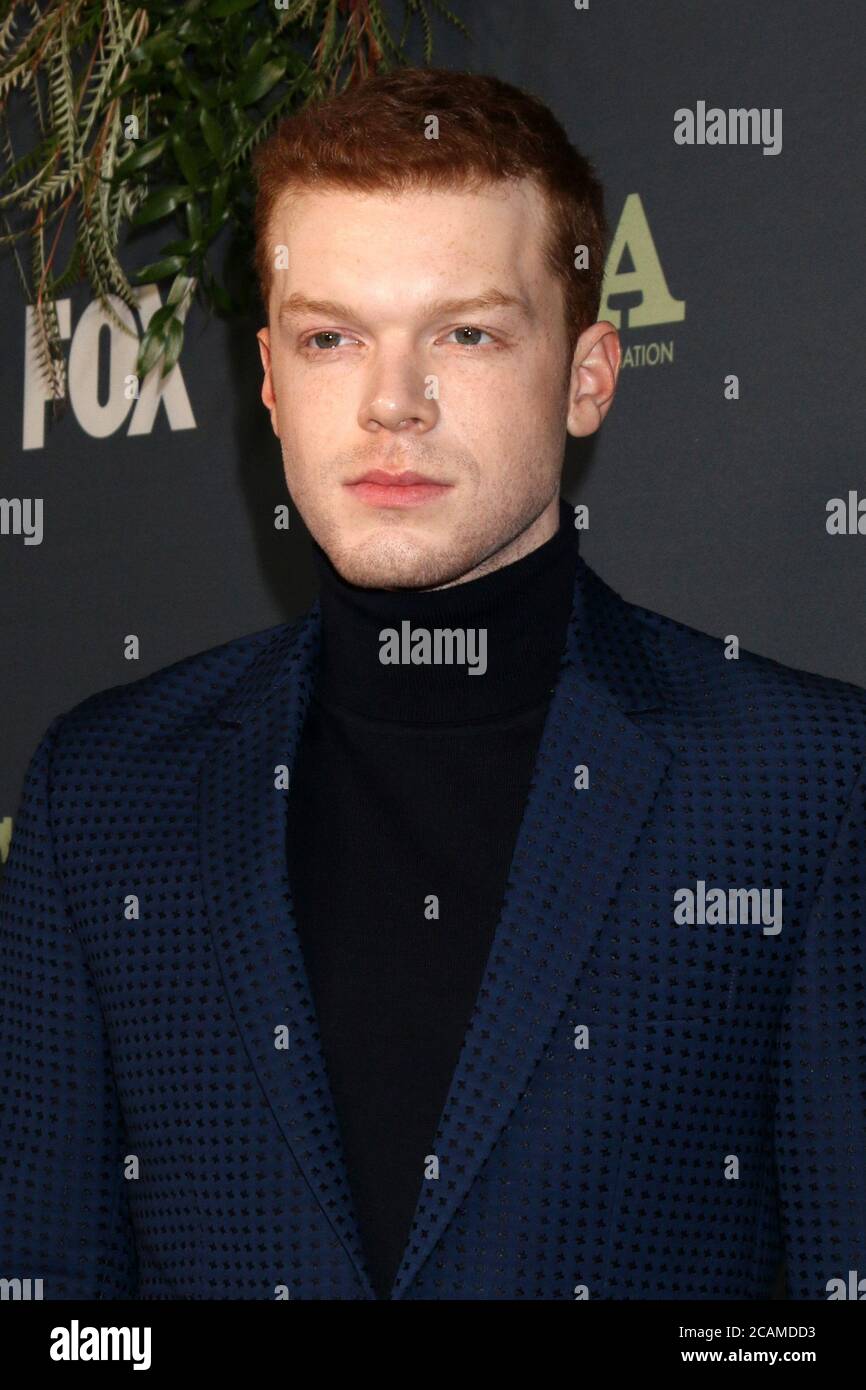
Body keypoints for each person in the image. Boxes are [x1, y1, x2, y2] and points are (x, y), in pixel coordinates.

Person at [1, 67, 864, 1302]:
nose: (389, 402)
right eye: (329, 337)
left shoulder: (805, 787)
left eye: (464, 333)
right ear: (267, 382)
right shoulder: (104, 796)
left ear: (587, 374)